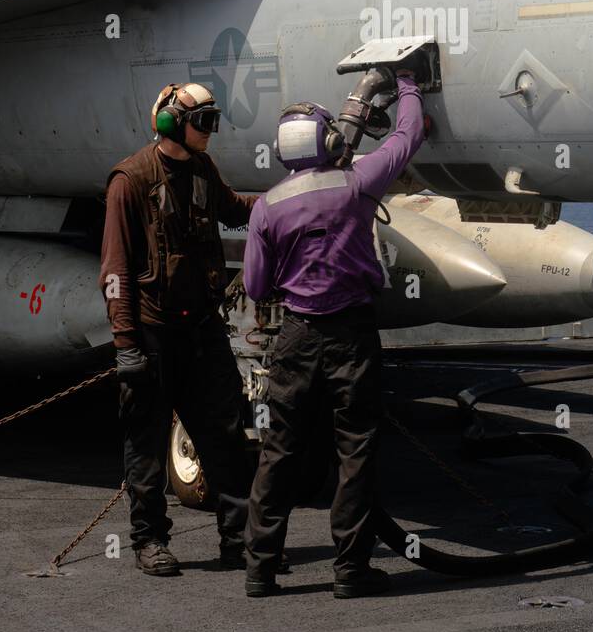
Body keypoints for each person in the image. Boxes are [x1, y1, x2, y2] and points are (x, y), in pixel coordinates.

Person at [243, 70, 426, 599]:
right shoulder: (359, 181)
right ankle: (350, 570)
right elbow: (406, 136)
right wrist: (411, 86)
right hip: (352, 334)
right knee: (357, 450)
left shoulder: (266, 207)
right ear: (329, 141)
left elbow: (256, 286)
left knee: (278, 452)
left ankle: (260, 570)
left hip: (297, 336)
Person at [100, 82, 257, 576]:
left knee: (226, 433)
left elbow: (236, 210)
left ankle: (238, 539)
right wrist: (126, 343)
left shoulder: (203, 171)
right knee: (146, 442)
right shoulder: (131, 179)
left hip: (201, 330)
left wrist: (290, 201)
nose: (211, 132)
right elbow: (114, 270)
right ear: (171, 123)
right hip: (152, 333)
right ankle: (149, 540)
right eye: (203, 123)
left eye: (213, 122)